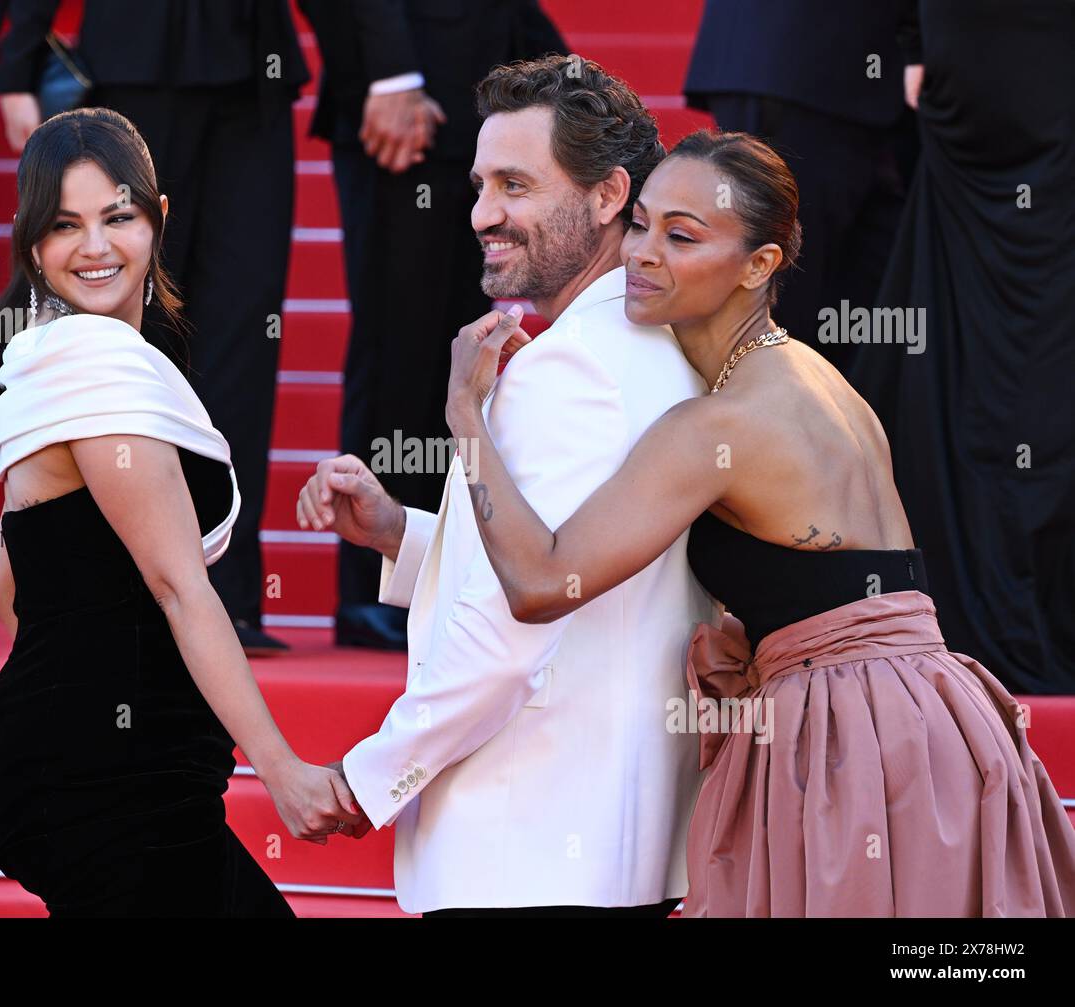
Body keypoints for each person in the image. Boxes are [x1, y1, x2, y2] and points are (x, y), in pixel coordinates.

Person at [443, 129, 1075, 916]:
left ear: (759, 265)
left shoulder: (718, 426)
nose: (643, 253)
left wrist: (467, 414)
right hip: (936, 720)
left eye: (682, 237)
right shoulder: (814, 375)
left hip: (855, 742)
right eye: (640, 223)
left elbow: (540, 582)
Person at [297, 56, 716, 917]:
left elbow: (505, 640)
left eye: (516, 185)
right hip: (611, 856)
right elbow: (595, 572)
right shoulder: (661, 348)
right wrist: (402, 536)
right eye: (481, 183)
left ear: (607, 197)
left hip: (524, 860)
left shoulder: (563, 370)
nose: (484, 212)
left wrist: (365, 776)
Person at [0, 108, 366, 917]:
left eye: (117, 217)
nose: (95, 247)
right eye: (66, 225)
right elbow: (179, 587)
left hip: (86, 772)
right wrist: (281, 767)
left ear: (158, 218)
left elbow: (5, 581)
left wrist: (74, 684)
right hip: (121, 786)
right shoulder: (94, 364)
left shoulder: (51, 360)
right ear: (34, 244)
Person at [0, 0, 310, 655]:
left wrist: (388, 75)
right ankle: (120, 587)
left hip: (250, 74)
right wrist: (17, 68)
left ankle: (224, 593)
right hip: (131, 72)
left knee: (245, 330)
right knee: (131, 322)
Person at [296, 0, 565, 649]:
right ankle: (374, 592)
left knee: (461, 351)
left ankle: (443, 570)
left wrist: (560, 76)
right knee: (403, 349)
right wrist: (391, 76)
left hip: (485, 86)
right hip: (413, 102)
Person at [850, 0, 1075, 694]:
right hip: (1004, 71)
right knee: (1037, 321)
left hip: (972, 62)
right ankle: (1029, 592)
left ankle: (974, 586)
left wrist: (917, 43)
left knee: (976, 319)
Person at [683, 0, 913, 377]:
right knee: (783, 292)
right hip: (802, 63)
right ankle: (755, 427)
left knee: (859, 306)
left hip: (843, 72)